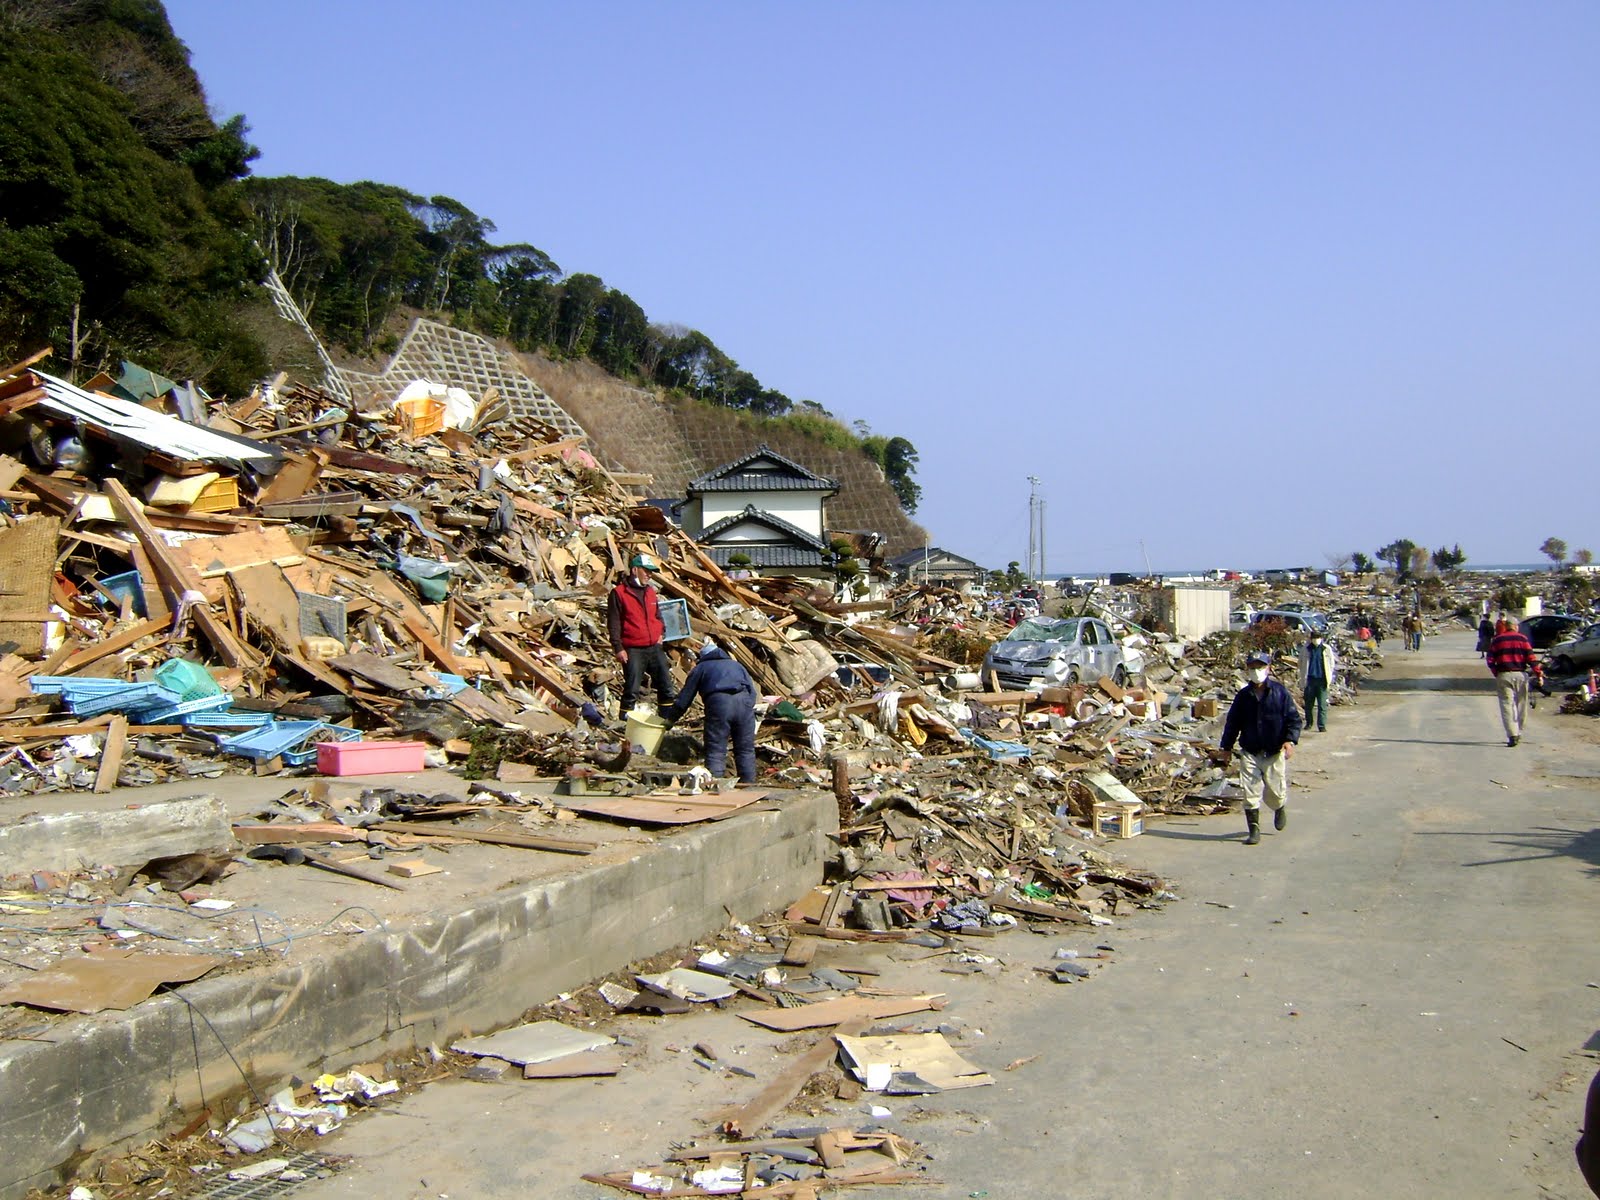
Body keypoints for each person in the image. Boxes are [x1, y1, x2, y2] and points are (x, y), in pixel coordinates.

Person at [1219, 649, 1303, 845]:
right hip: (1250, 750)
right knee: (1250, 792)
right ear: (1247, 670)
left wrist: (1289, 741)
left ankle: (1279, 807)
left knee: (1274, 792)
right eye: (1253, 667)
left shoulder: (1279, 693)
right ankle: (1253, 830)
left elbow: (1294, 719)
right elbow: (1232, 723)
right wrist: (1226, 748)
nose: (1256, 671)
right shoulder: (1243, 697)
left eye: (1260, 667)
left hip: (1274, 750)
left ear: (1268, 669)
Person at [661, 636, 758, 784]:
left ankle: (714, 784)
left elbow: (685, 698)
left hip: (719, 703)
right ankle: (749, 784)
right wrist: (746, 706)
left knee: (716, 749)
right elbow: (753, 692)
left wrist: (670, 720)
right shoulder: (737, 665)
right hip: (743, 703)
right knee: (745, 749)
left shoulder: (701, 668)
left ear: (703, 656)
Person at [606, 552, 677, 716]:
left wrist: (662, 632)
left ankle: (666, 719)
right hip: (633, 649)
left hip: (654, 646)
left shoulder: (650, 591)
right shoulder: (619, 593)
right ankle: (624, 721)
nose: (649, 575)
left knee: (666, 684)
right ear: (635, 570)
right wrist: (618, 648)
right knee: (632, 687)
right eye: (646, 571)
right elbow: (614, 623)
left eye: (651, 571)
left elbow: (657, 614)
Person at [1486, 616, 1537, 746]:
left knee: (1506, 705)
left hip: (1504, 675)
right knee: (1521, 703)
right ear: (1515, 626)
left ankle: (1512, 735)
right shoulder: (1523, 639)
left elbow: (1490, 659)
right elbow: (1531, 658)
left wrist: (1496, 672)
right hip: (1520, 674)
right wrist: (1538, 673)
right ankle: (1519, 729)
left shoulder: (1497, 640)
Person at [1297, 630, 1337, 732]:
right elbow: (1300, 663)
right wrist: (1302, 677)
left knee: (1322, 704)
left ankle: (1321, 725)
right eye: (1314, 637)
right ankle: (1309, 723)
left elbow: (1331, 664)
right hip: (1310, 680)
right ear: (1311, 639)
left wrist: (1329, 677)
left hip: (1322, 680)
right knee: (1309, 704)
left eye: (1318, 637)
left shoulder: (1326, 649)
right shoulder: (1306, 649)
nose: (1316, 640)